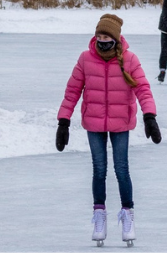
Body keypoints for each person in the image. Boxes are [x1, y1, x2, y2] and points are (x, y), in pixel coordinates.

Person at [56, 13, 160, 247]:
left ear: (115, 38)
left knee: (122, 169)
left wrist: (150, 116)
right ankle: (99, 215)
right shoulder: (85, 59)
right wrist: (63, 121)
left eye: (106, 36)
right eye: (99, 35)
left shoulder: (130, 60)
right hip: (94, 123)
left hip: (120, 122)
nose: (102, 39)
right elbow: (72, 91)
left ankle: (127, 215)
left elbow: (143, 88)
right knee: (99, 169)